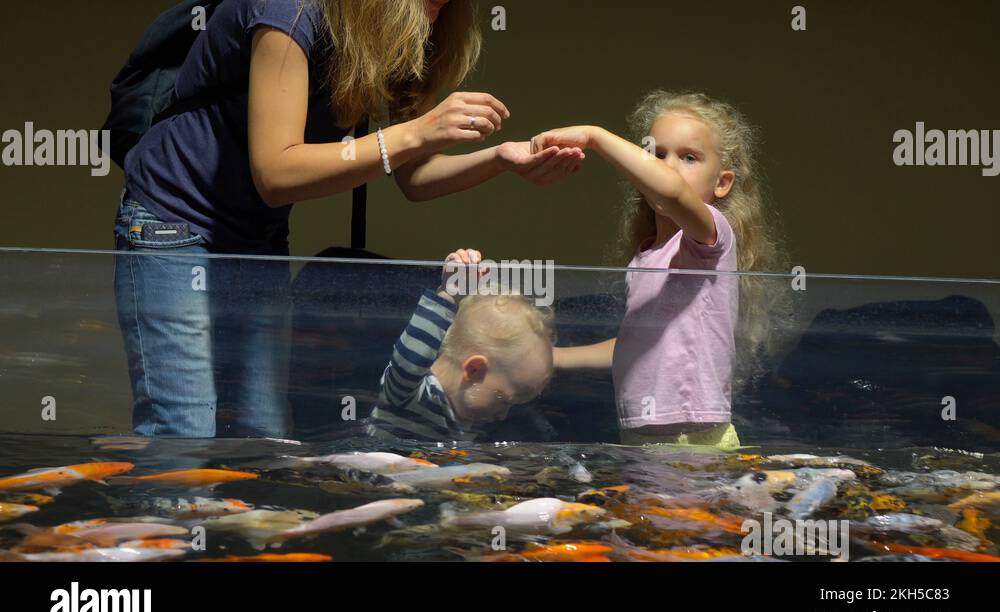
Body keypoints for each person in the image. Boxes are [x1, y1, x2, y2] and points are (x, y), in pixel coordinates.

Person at [113, 0, 583, 437]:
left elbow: (413, 177)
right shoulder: (292, 7)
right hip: (169, 220)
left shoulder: (406, 25)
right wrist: (417, 130)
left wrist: (499, 159)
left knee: (264, 431)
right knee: (183, 429)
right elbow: (276, 173)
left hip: (258, 236)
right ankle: (170, 525)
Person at [539, 90, 786, 448]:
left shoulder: (711, 239)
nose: (667, 166)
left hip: (692, 435)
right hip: (640, 433)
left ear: (722, 182)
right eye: (656, 154)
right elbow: (638, 344)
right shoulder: (646, 255)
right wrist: (554, 358)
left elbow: (671, 193)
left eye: (688, 157)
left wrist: (595, 136)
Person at [368, 248, 555, 441]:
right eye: (504, 401)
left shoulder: (469, 419)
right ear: (474, 369)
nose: (503, 415)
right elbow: (409, 360)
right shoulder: (408, 393)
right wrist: (448, 294)